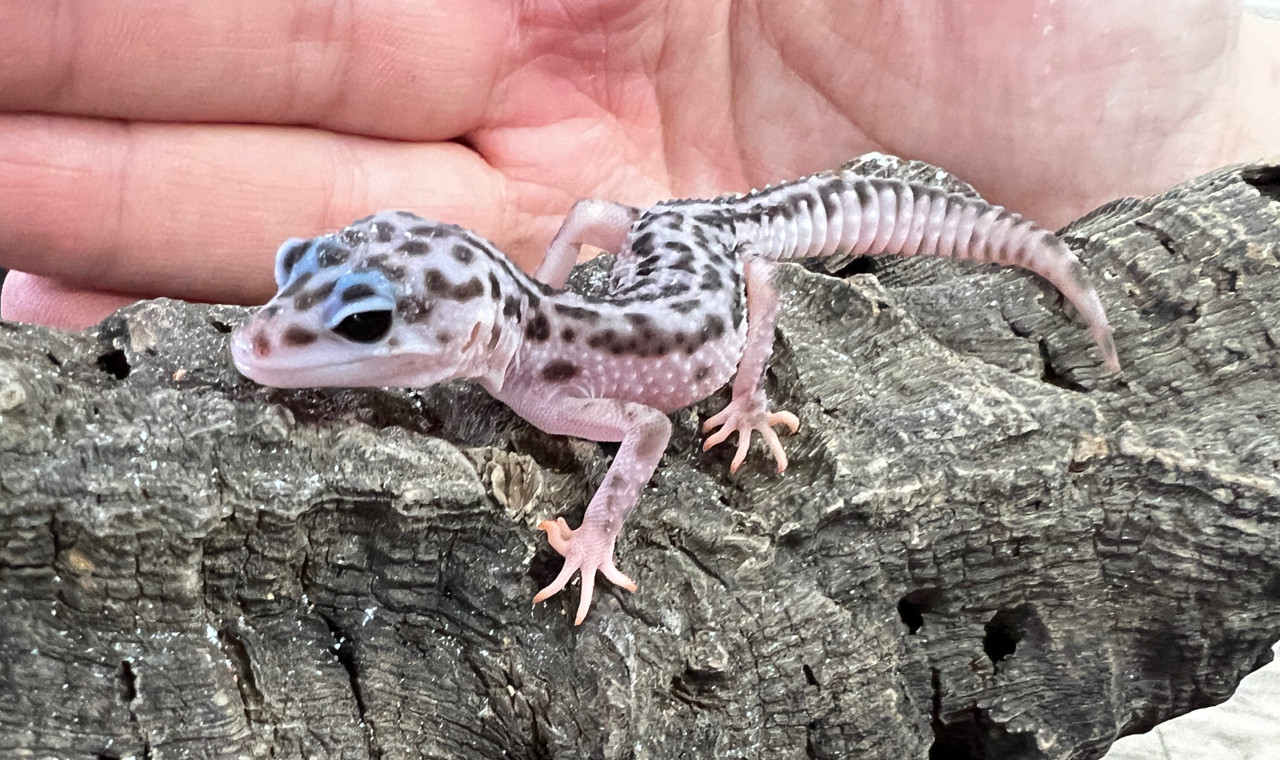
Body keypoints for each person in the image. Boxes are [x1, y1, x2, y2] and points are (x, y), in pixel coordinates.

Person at [0, 0, 1275, 329]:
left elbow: (641, 444)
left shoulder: (580, 384)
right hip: (669, 227)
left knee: (756, 278)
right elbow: (608, 221)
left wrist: (1217, 126)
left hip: (722, 250)